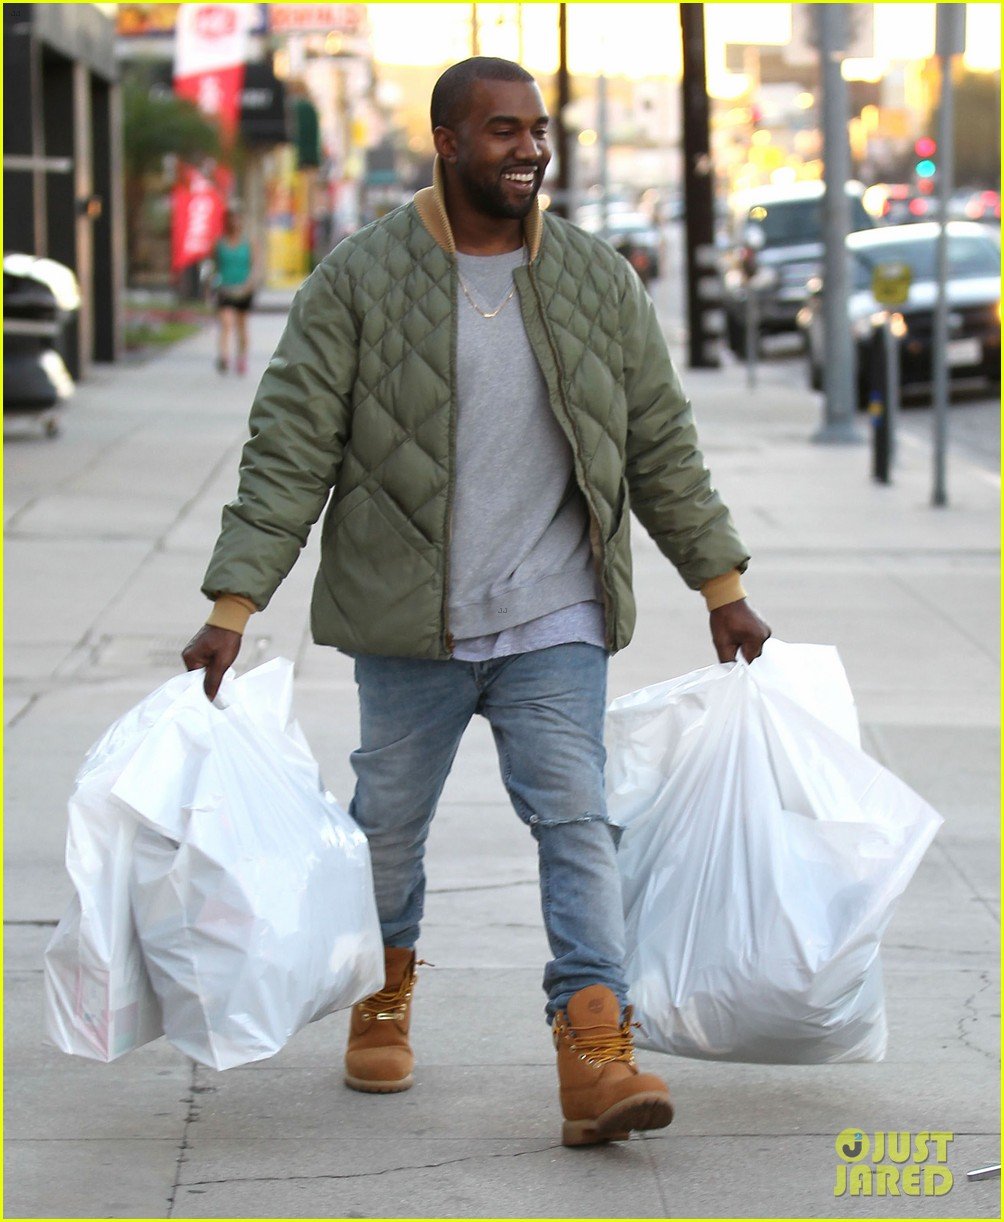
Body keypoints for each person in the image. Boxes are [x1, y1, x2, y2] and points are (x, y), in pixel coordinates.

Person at [182, 57, 771, 1147]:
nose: (527, 150)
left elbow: (659, 448)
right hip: (412, 621)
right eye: (502, 132)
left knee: (575, 822)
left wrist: (719, 585)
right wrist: (233, 602)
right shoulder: (358, 281)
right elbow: (289, 450)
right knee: (389, 830)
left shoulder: (596, 281)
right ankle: (385, 986)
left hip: (555, 616)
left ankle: (595, 1042)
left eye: (535, 131)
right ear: (447, 142)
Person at [212, 209, 257, 375]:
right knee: (226, 323)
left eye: (237, 219)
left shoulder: (248, 242)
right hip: (225, 288)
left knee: (242, 325)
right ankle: (224, 357)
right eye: (231, 219)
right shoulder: (219, 243)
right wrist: (213, 283)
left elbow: (254, 265)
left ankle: (241, 357)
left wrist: (250, 283)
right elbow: (214, 265)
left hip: (243, 289)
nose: (234, 222)